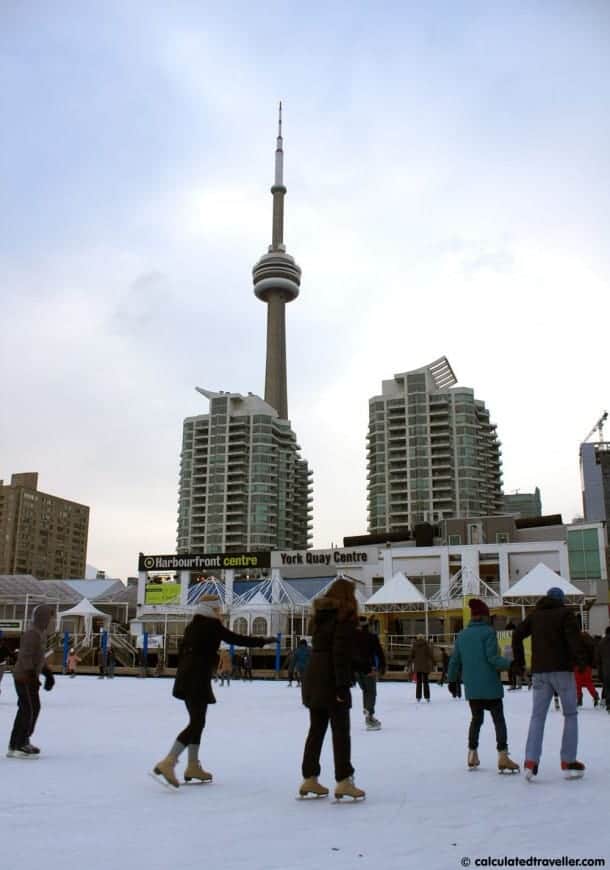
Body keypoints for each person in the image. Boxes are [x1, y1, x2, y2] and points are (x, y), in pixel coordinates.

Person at [153, 601, 275, 788]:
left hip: (185, 678)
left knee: (197, 721)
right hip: (197, 679)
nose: (220, 613)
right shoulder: (212, 625)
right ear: (212, 610)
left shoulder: (192, 627)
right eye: (218, 610)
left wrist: (211, 658)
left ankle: (193, 766)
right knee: (197, 722)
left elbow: (187, 651)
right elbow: (236, 639)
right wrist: (263, 641)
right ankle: (169, 761)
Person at [299, 578, 365, 800]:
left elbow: (330, 650)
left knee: (316, 730)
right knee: (340, 732)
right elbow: (340, 654)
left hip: (314, 677)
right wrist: (341, 686)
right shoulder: (344, 618)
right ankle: (344, 780)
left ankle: (310, 778)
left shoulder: (319, 619)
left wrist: (363, 666)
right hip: (331, 680)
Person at [513, 586, 587, 780]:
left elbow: (517, 634)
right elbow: (573, 639)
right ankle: (568, 760)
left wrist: (520, 662)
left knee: (537, 716)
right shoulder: (565, 613)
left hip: (539, 672)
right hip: (562, 670)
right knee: (570, 714)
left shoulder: (535, 615)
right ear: (561, 600)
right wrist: (580, 661)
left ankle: (530, 761)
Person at [448, 598, 519, 773]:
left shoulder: (462, 635)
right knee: (498, 720)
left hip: (472, 688)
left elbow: (454, 661)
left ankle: (472, 753)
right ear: (485, 617)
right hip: (490, 686)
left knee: (476, 720)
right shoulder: (488, 633)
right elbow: (493, 659)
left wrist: (451, 680)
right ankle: (503, 756)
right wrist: (511, 664)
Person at [7, 604, 55, 758]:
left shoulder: (40, 633)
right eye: (48, 617)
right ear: (42, 617)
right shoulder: (31, 633)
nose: (50, 621)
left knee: (30, 708)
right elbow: (26, 656)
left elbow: (39, 657)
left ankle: (19, 742)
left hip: (30, 677)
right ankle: (19, 744)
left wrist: (47, 674)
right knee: (28, 708)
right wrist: (30, 675)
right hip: (23, 677)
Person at [353, 616, 386, 730]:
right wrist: (382, 666)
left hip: (356, 670)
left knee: (365, 690)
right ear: (368, 626)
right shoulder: (372, 637)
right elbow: (379, 652)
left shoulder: (352, 637)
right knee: (371, 692)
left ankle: (368, 711)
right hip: (369, 669)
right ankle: (369, 715)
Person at [574, 631, 599, 708]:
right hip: (588, 665)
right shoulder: (591, 643)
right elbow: (593, 655)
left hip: (577, 665)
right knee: (588, 682)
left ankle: (579, 699)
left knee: (577, 683)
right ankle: (595, 696)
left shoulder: (577, 644)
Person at [410, 634, 434, 702]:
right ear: (423, 638)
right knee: (426, 682)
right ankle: (427, 697)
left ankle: (418, 697)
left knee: (419, 682)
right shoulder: (426, 645)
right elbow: (430, 655)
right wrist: (434, 662)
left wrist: (407, 663)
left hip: (417, 667)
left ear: (417, 638)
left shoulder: (414, 645)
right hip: (425, 667)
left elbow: (411, 655)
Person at [595, 627, 610, 713]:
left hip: (606, 669)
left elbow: (598, 659)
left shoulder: (601, 643)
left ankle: (608, 704)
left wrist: (599, 671)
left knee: (607, 687)